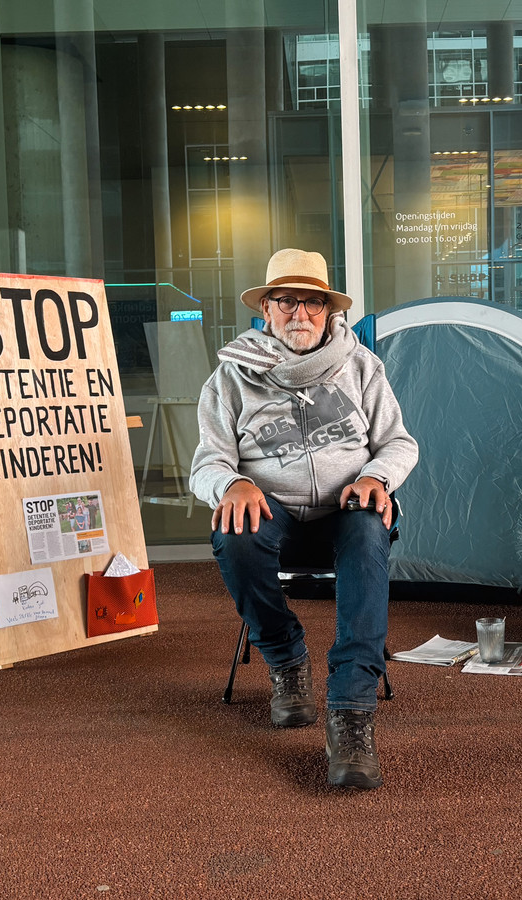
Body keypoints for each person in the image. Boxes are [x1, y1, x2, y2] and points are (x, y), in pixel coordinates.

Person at [189, 248, 418, 789]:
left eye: (312, 303)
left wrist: (376, 477)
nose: (301, 314)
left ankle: (351, 711)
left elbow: (399, 443)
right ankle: (286, 659)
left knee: (368, 526)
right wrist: (234, 483)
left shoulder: (363, 366)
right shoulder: (230, 379)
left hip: (347, 511)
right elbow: (207, 464)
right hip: (276, 517)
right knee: (231, 528)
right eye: (286, 301)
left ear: (329, 312)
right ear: (266, 309)